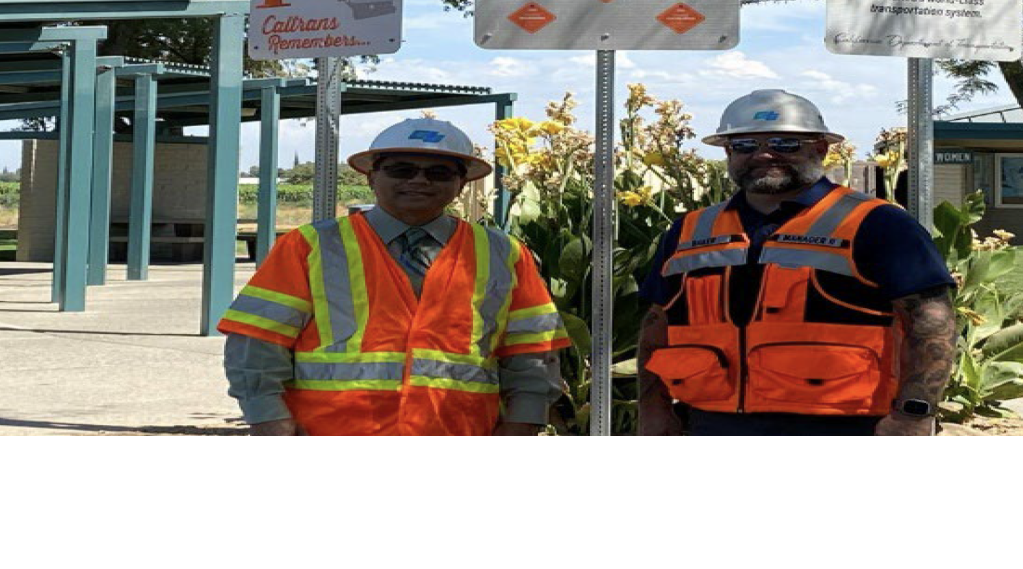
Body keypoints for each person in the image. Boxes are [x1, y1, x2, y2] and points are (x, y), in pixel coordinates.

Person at [637, 90, 958, 437]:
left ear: (820, 148)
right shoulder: (689, 229)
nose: (763, 154)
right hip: (709, 421)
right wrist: (652, 409)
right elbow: (658, 324)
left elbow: (932, 320)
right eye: (744, 144)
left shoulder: (877, 222)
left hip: (845, 423)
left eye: (785, 143)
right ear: (728, 152)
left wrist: (914, 413)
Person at [220, 119, 571, 436]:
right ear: (372, 177)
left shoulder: (504, 253)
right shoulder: (308, 246)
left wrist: (523, 421)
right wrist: (268, 419)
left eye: (439, 173)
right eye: (402, 170)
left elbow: (533, 349)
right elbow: (258, 342)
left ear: (461, 184)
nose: (419, 180)